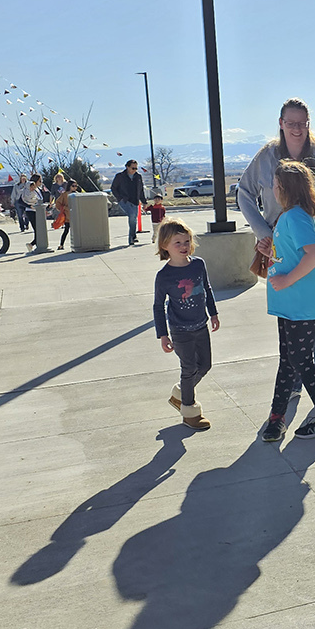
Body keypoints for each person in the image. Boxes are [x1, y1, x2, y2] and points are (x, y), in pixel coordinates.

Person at [238, 97, 315, 407]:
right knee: (289, 316)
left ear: (309, 123)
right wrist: (263, 233)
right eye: (290, 123)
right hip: (283, 250)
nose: (296, 129)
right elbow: (243, 193)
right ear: (280, 123)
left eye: (302, 124)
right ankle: (291, 382)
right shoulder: (266, 157)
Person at [259, 159, 315, 442]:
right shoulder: (287, 217)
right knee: (289, 360)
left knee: (302, 361)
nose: (271, 188)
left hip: (300, 303)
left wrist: (285, 281)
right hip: (290, 303)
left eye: (274, 184)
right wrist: (269, 249)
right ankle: (277, 416)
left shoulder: (295, 216)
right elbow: (292, 253)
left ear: (284, 188)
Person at [153, 219, 219, 431]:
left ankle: (181, 393)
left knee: (205, 366)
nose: (184, 246)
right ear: (165, 246)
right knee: (189, 367)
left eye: (187, 241)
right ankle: (189, 411)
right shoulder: (164, 276)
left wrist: (214, 313)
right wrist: (163, 335)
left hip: (201, 325)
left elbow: (207, 289)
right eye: (177, 242)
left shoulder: (198, 264)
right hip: (180, 330)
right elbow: (158, 306)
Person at [112, 160, 144, 246]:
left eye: (136, 168)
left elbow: (141, 190)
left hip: (135, 201)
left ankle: (133, 235)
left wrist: (144, 201)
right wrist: (119, 198)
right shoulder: (120, 176)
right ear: (127, 167)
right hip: (124, 200)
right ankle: (132, 238)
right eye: (133, 168)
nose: (134, 170)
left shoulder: (138, 177)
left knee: (134, 218)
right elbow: (113, 188)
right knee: (132, 215)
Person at [54, 182, 81, 250]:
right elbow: (58, 203)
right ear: (69, 186)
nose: (75, 187)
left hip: (76, 215)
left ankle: (79, 244)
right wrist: (64, 208)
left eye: (76, 186)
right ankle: (61, 245)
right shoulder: (64, 194)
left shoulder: (77, 194)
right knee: (66, 230)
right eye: (73, 186)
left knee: (77, 230)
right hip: (67, 216)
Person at [22, 174, 45, 251]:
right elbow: (29, 199)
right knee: (37, 229)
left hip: (38, 211)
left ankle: (34, 243)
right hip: (31, 211)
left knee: (39, 229)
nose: (41, 183)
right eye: (40, 181)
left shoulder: (38, 189)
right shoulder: (30, 190)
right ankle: (32, 244)